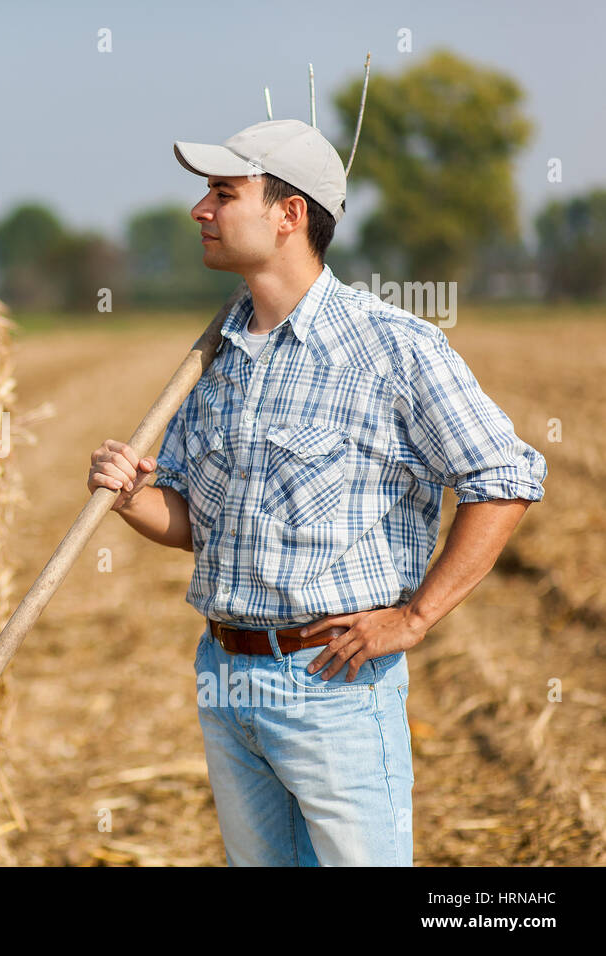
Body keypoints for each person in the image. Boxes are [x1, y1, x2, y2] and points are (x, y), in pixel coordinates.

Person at [86, 118, 548, 866]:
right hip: (226, 676)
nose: (200, 211)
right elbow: (196, 525)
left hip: (332, 682)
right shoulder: (218, 354)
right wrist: (130, 497)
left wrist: (416, 617)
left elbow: (506, 478)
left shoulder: (391, 347)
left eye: (222, 193)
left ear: (288, 214)